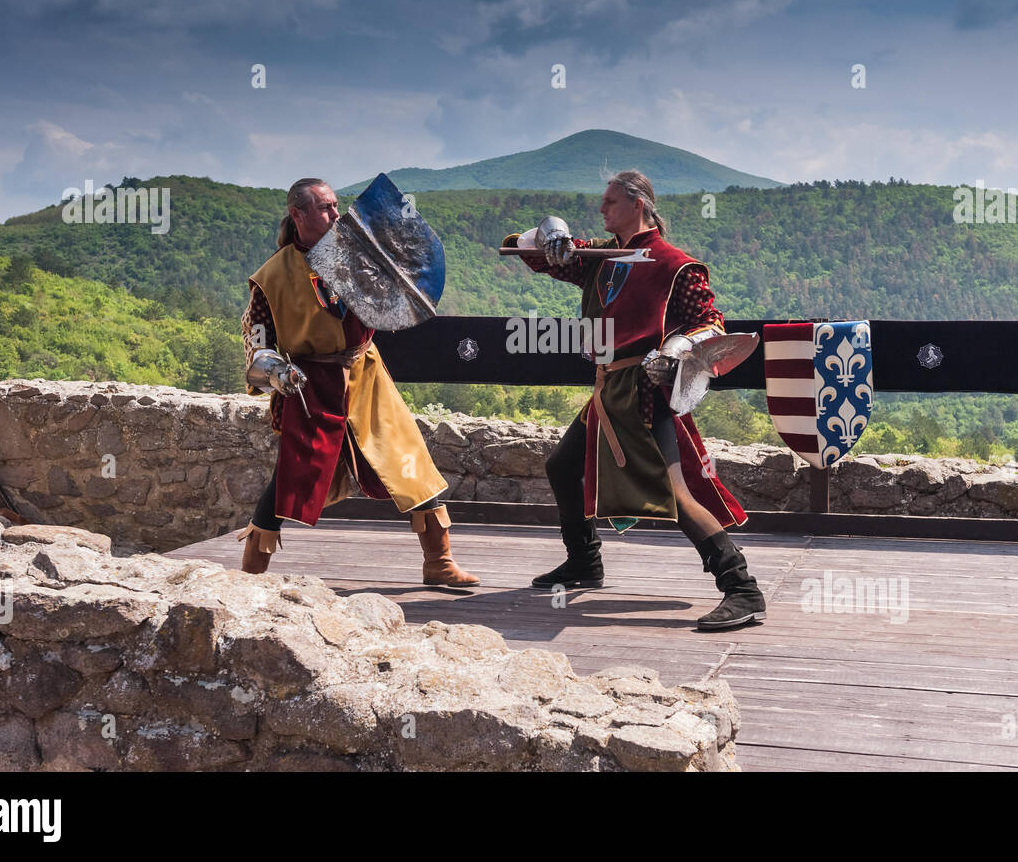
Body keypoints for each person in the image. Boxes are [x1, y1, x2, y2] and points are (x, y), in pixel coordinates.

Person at [502, 170, 766, 630]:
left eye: (609, 203)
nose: (601, 210)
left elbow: (711, 324)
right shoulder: (601, 258)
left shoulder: (676, 266)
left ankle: (742, 588)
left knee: (673, 493)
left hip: (644, 390)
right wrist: (553, 236)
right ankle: (585, 562)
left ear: (637, 205)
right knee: (563, 466)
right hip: (609, 388)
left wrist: (674, 352)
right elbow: (526, 250)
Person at [236, 177, 478, 586]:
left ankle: (439, 562)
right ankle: (249, 575)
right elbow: (256, 343)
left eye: (335, 205)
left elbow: (405, 288)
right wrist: (277, 371)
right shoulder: (271, 278)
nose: (335, 214)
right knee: (293, 478)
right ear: (298, 215)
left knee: (410, 461)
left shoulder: (359, 254)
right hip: (310, 385)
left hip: (366, 375)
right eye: (325, 208)